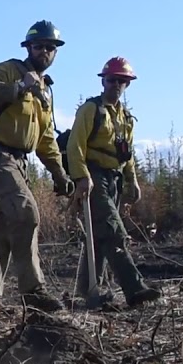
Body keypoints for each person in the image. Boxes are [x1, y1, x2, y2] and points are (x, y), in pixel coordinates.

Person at [0, 20, 74, 312]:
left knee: (3, 230)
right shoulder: (10, 70)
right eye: (39, 46)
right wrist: (18, 87)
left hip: (17, 162)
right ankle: (33, 291)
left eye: (50, 47)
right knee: (26, 213)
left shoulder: (46, 92)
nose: (45, 52)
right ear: (28, 48)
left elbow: (46, 138)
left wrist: (59, 173)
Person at [66, 57, 162, 308]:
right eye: (112, 80)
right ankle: (135, 289)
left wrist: (133, 181)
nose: (116, 85)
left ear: (127, 85)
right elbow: (75, 146)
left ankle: (88, 292)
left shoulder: (126, 118)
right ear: (103, 81)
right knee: (113, 231)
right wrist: (82, 177)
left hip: (114, 179)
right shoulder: (91, 110)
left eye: (122, 81)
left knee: (100, 237)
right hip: (94, 177)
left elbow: (127, 154)